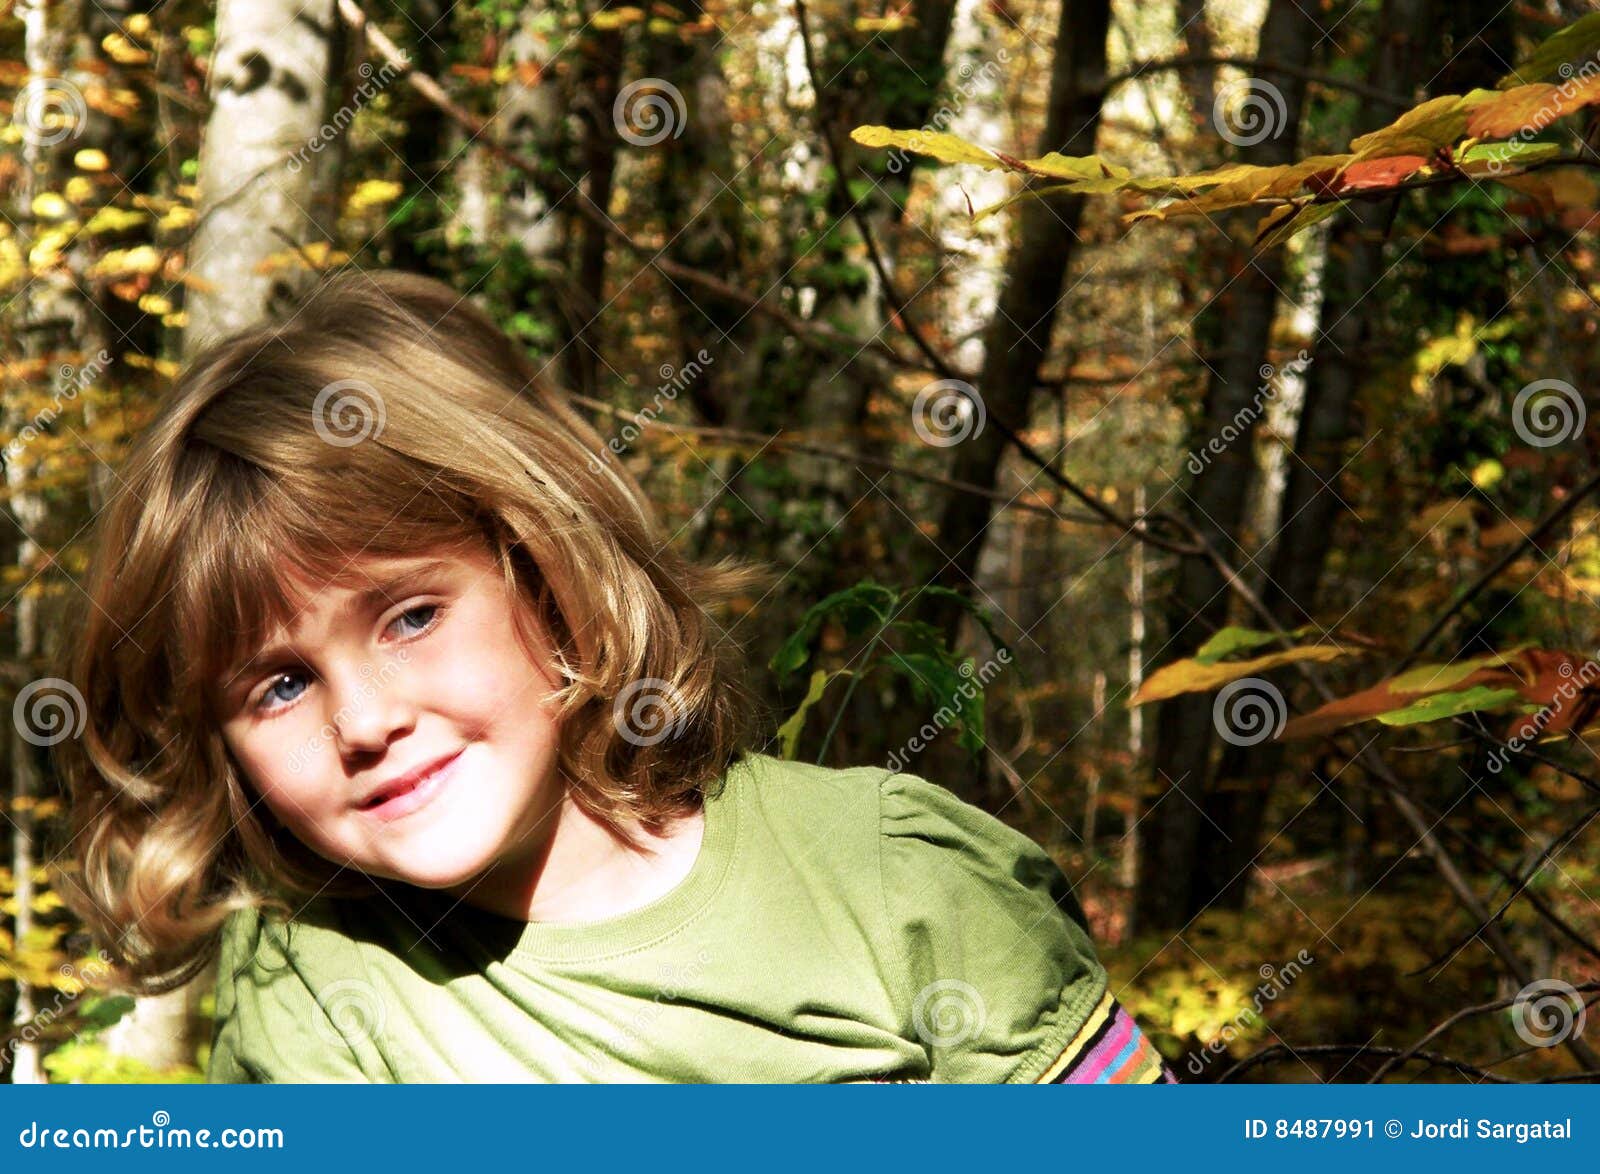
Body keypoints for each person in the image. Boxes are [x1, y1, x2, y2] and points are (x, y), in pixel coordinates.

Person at [55, 269, 1174, 1084]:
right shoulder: (313, 990)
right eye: (279, 685)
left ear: (548, 569)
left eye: (409, 615)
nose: (365, 719)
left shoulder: (898, 881)